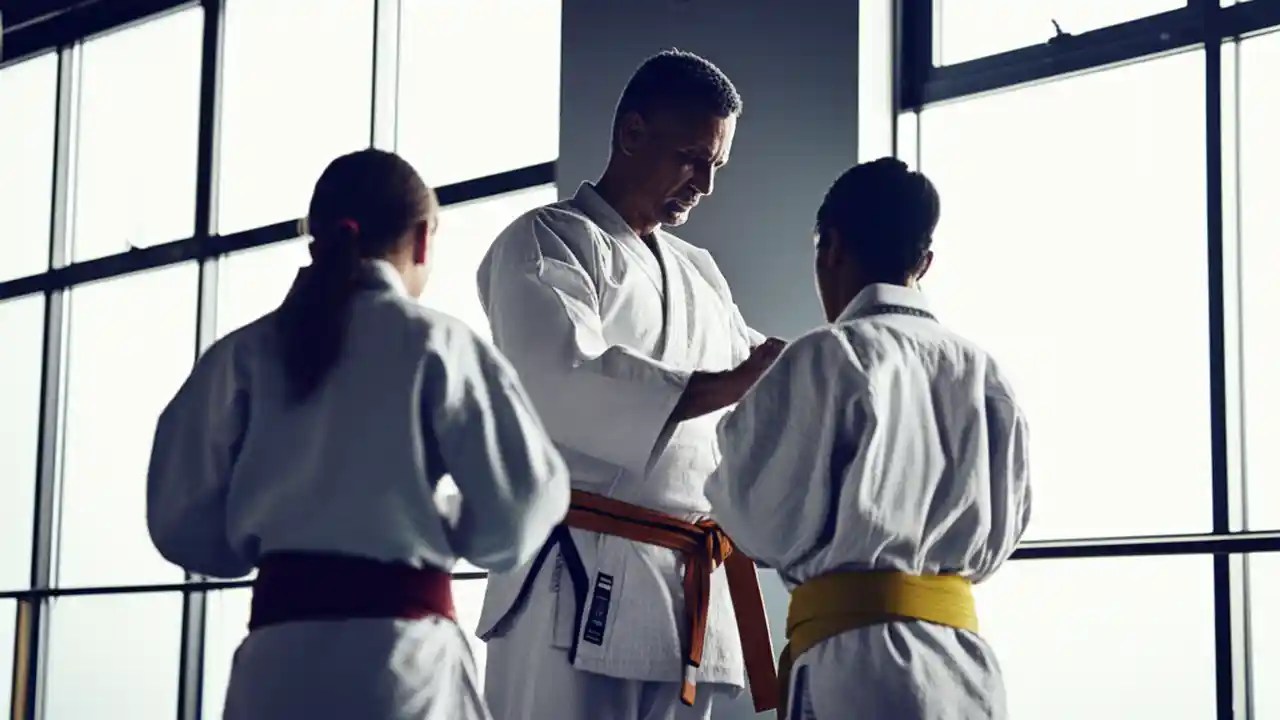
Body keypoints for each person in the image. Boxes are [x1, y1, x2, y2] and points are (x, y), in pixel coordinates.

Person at [146, 148, 571, 720]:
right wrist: (448, 522)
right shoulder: (439, 343)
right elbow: (521, 507)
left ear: (316, 238)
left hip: (275, 663)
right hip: (399, 664)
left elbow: (181, 523)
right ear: (422, 240)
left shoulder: (239, 355)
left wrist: (257, 536)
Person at [475, 50, 786, 720]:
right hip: (575, 570)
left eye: (716, 165)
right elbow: (561, 379)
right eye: (691, 157)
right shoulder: (548, 240)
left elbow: (759, 387)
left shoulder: (700, 273)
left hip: (686, 580)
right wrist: (735, 380)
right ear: (632, 132)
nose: (705, 183)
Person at [705, 157, 1032, 720]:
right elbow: (1010, 524)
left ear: (829, 247)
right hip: (967, 663)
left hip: (857, 665)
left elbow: (756, 519)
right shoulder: (984, 372)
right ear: (923, 263)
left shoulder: (828, 355)